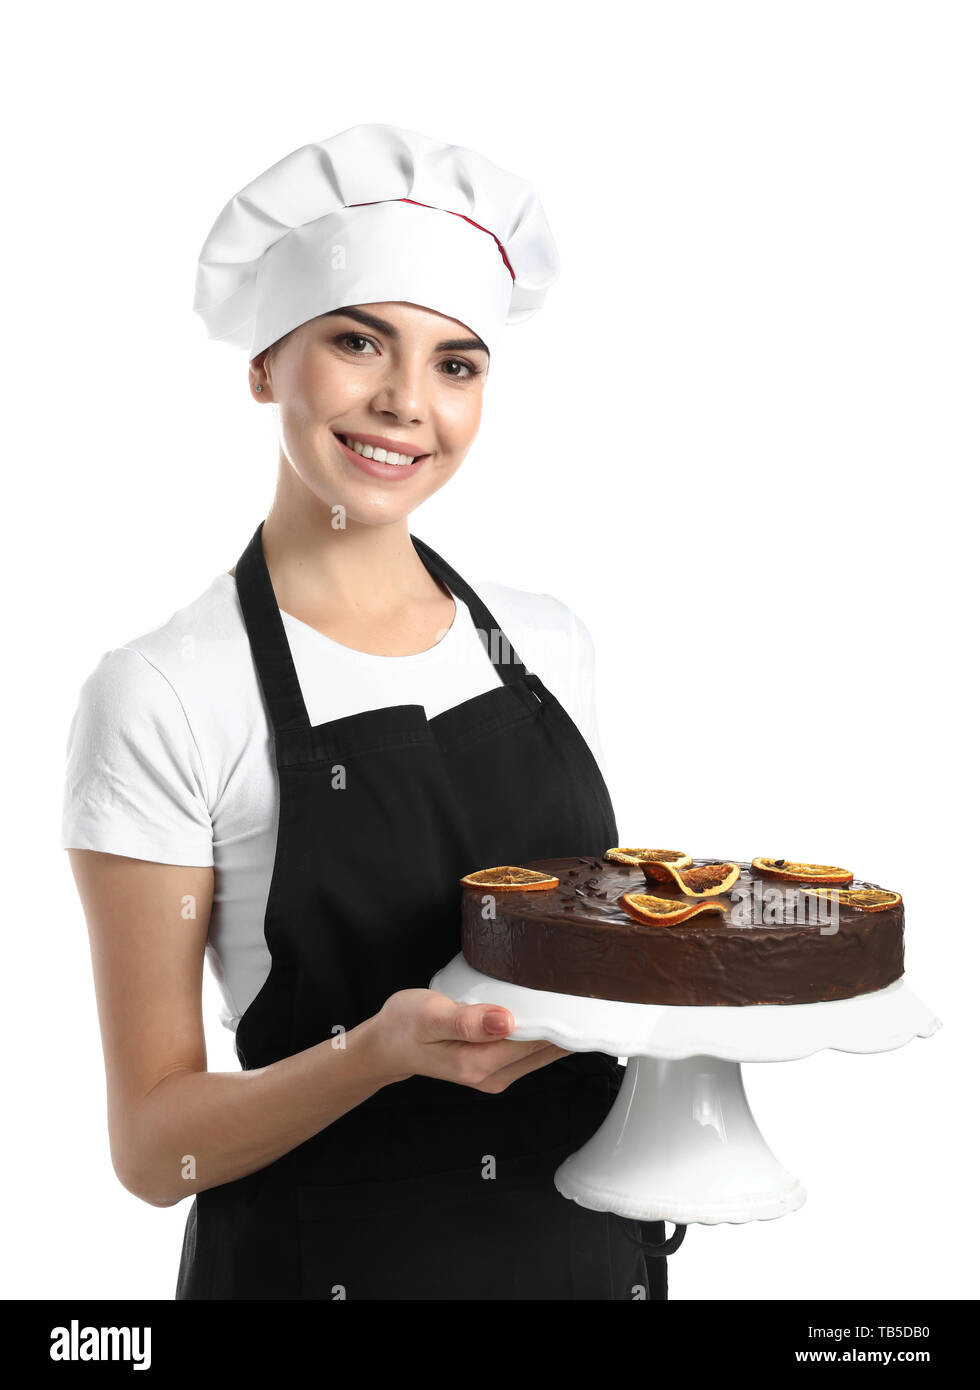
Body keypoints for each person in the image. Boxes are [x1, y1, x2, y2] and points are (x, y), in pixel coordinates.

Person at [62, 123, 666, 1300]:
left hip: (586, 1261)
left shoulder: (544, 644)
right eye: (356, 341)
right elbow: (153, 1150)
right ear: (262, 364)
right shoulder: (167, 691)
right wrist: (375, 1055)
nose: (404, 403)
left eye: (456, 363)